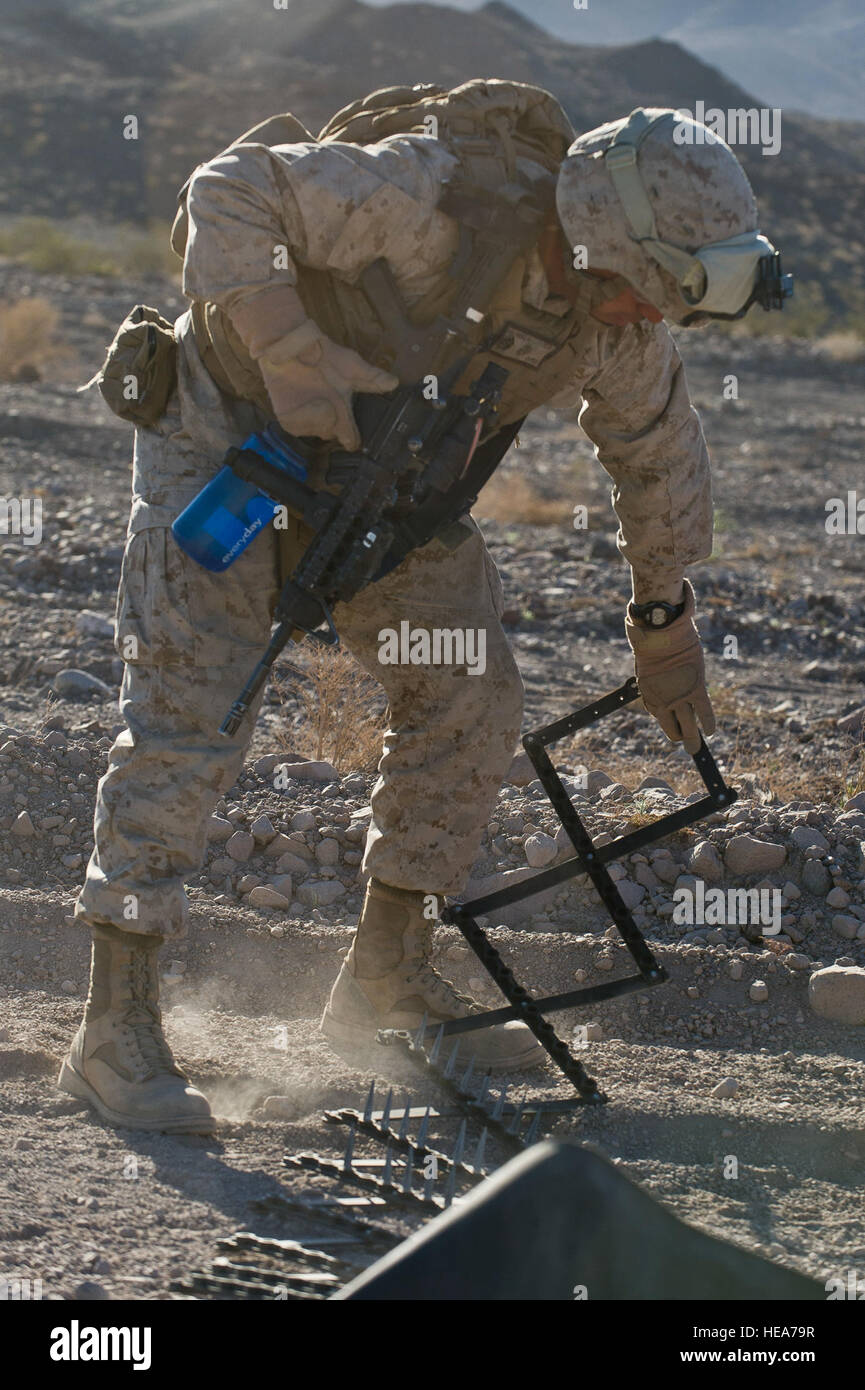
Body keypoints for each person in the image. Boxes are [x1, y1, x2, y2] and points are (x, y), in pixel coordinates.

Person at [58, 83, 788, 1132]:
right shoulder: (426, 197)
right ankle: (112, 1028)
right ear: (597, 239)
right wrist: (293, 347)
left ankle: (383, 985)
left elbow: (658, 453)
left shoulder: (612, 316)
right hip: (227, 445)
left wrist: (663, 613)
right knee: (192, 714)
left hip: (381, 486)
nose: (652, 319)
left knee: (469, 694)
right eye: (647, 290)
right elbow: (226, 194)